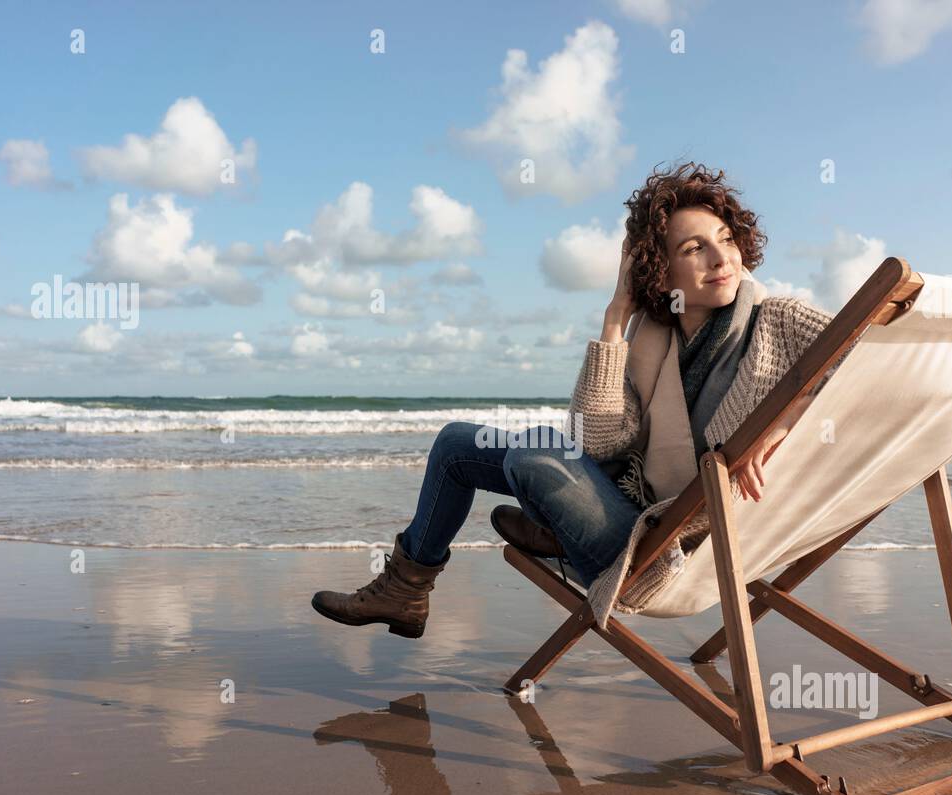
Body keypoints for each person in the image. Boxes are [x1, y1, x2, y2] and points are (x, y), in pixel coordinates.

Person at [311, 161, 834, 639]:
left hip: (666, 550)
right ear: (660, 271)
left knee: (535, 451)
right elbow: (602, 442)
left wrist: (785, 422)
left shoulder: (778, 320)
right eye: (694, 248)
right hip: (633, 505)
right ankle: (405, 590)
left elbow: (870, 348)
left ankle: (556, 530)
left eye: (725, 238)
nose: (723, 258)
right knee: (455, 444)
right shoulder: (656, 336)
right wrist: (615, 318)